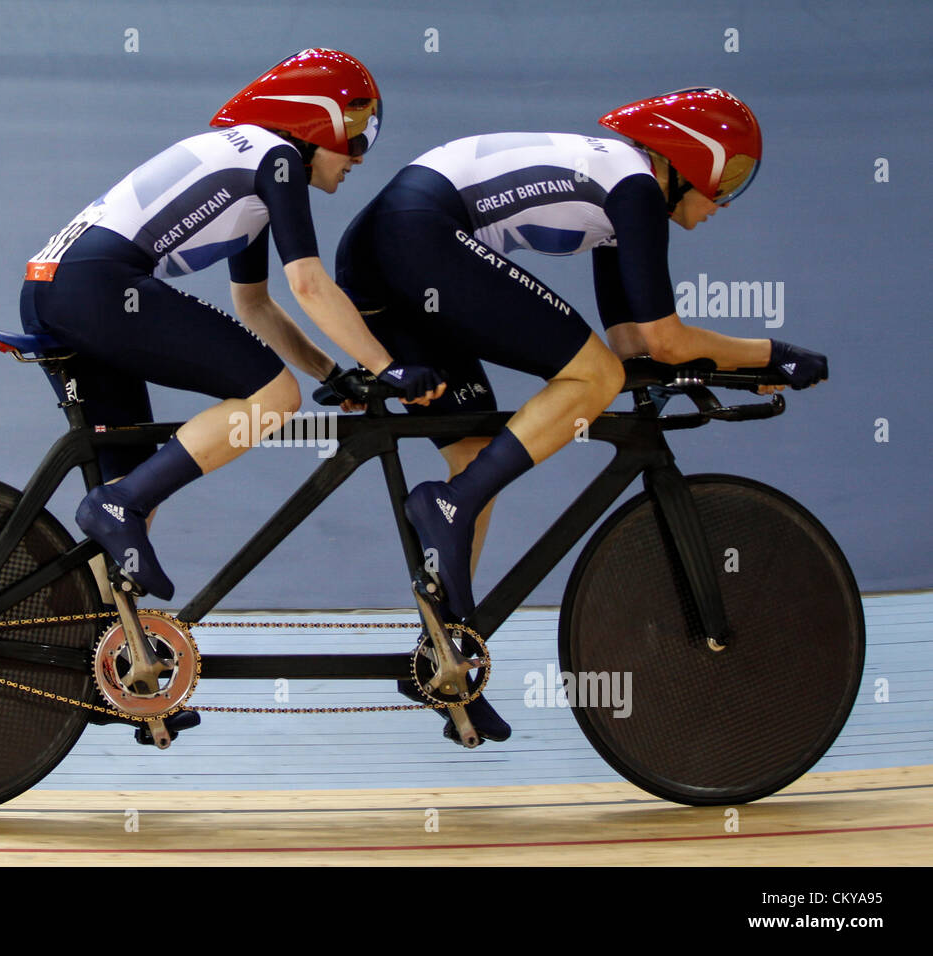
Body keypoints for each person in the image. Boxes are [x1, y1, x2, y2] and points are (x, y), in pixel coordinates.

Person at [334, 87, 828, 744]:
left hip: (378, 248)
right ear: (691, 158)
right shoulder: (636, 191)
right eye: (730, 177)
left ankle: (446, 660)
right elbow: (665, 340)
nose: (726, 201)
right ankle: (450, 507)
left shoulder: (618, 190)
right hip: (418, 233)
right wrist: (776, 352)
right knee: (590, 378)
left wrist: (738, 367)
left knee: (476, 445)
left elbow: (633, 339)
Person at [18, 50, 441, 737]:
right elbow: (309, 284)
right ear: (313, 125)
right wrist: (388, 365)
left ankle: (104, 671)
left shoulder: (249, 162)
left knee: (136, 483)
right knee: (271, 398)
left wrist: (335, 373)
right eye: (356, 135)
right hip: (96, 285)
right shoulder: (276, 160)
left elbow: (257, 306)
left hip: (58, 287)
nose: (360, 156)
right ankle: (117, 503)